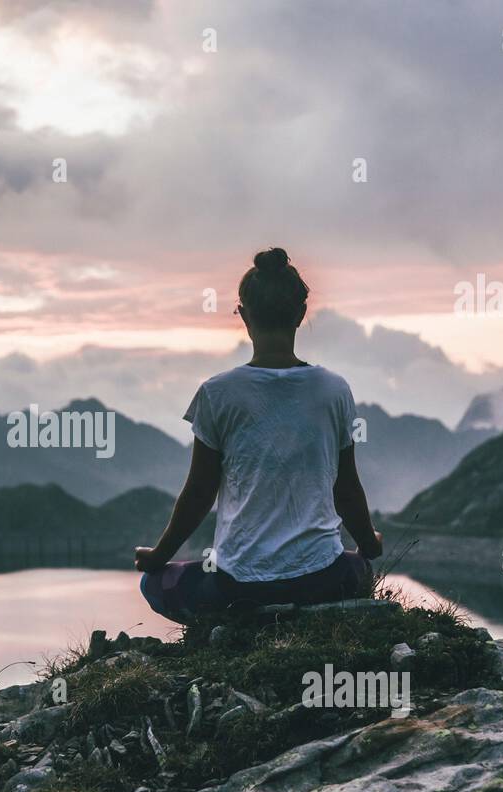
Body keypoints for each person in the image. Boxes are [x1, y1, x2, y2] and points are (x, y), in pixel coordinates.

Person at [135, 247, 383, 624]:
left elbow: (199, 493)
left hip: (239, 586)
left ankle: (243, 618)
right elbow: (346, 488)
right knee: (359, 569)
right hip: (321, 580)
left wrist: (158, 556)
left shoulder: (217, 393)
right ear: (301, 314)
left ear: (244, 314)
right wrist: (369, 544)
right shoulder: (334, 391)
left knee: (154, 585)